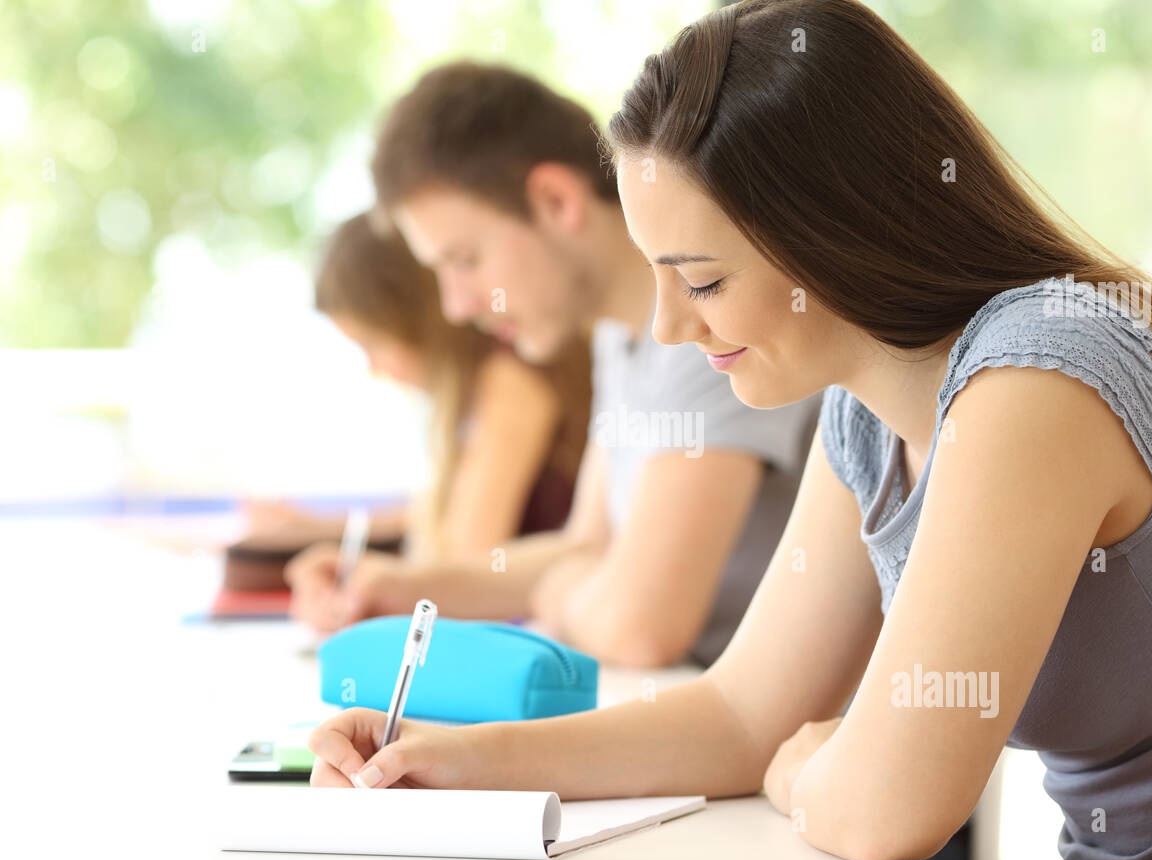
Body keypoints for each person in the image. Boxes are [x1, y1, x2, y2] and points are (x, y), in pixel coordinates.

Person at [308, 0, 1152, 860]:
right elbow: (744, 712)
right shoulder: (863, 413)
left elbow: (884, 811)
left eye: (699, 281)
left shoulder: (1037, 375)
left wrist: (805, 763)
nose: (668, 328)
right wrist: (440, 756)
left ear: (829, 235)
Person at [285, 62, 821, 668]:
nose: (456, 306)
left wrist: (558, 593)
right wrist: (403, 588)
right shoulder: (618, 338)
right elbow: (587, 544)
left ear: (556, 200)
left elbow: (640, 628)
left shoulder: (707, 332)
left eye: (464, 259)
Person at [277, 211, 590, 627]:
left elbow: (460, 556)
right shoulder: (471, 401)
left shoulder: (510, 384)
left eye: (373, 342)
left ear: (418, 319)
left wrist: (373, 589)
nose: (372, 367)